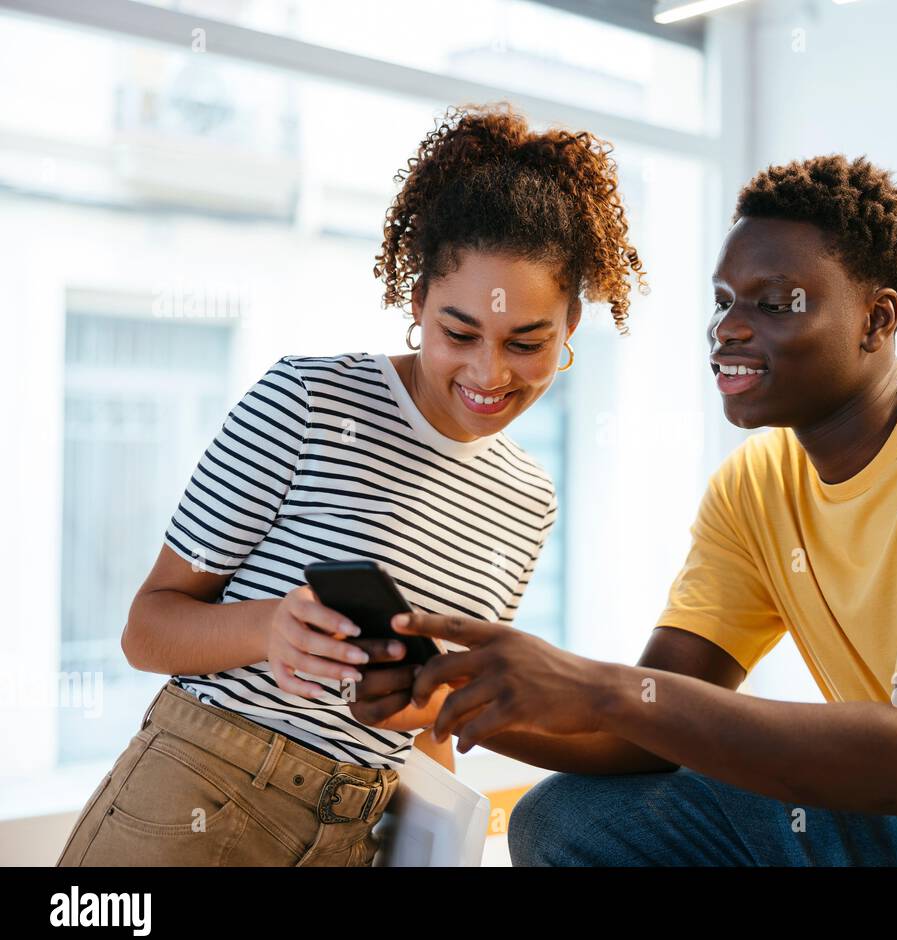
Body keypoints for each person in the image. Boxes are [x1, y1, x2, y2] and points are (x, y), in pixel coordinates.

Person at [351, 154, 897, 867]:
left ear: (878, 319)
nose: (729, 327)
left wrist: (602, 688)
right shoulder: (757, 486)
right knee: (565, 820)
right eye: (725, 301)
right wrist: (461, 702)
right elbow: (650, 734)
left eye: (775, 303)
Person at [56, 103, 646, 867]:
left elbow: (432, 720)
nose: (488, 374)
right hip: (200, 793)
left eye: (527, 342)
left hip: (364, 831)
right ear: (416, 305)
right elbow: (146, 628)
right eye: (458, 331)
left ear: (571, 326)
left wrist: (433, 838)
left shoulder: (530, 499)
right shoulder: (307, 401)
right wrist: (269, 627)